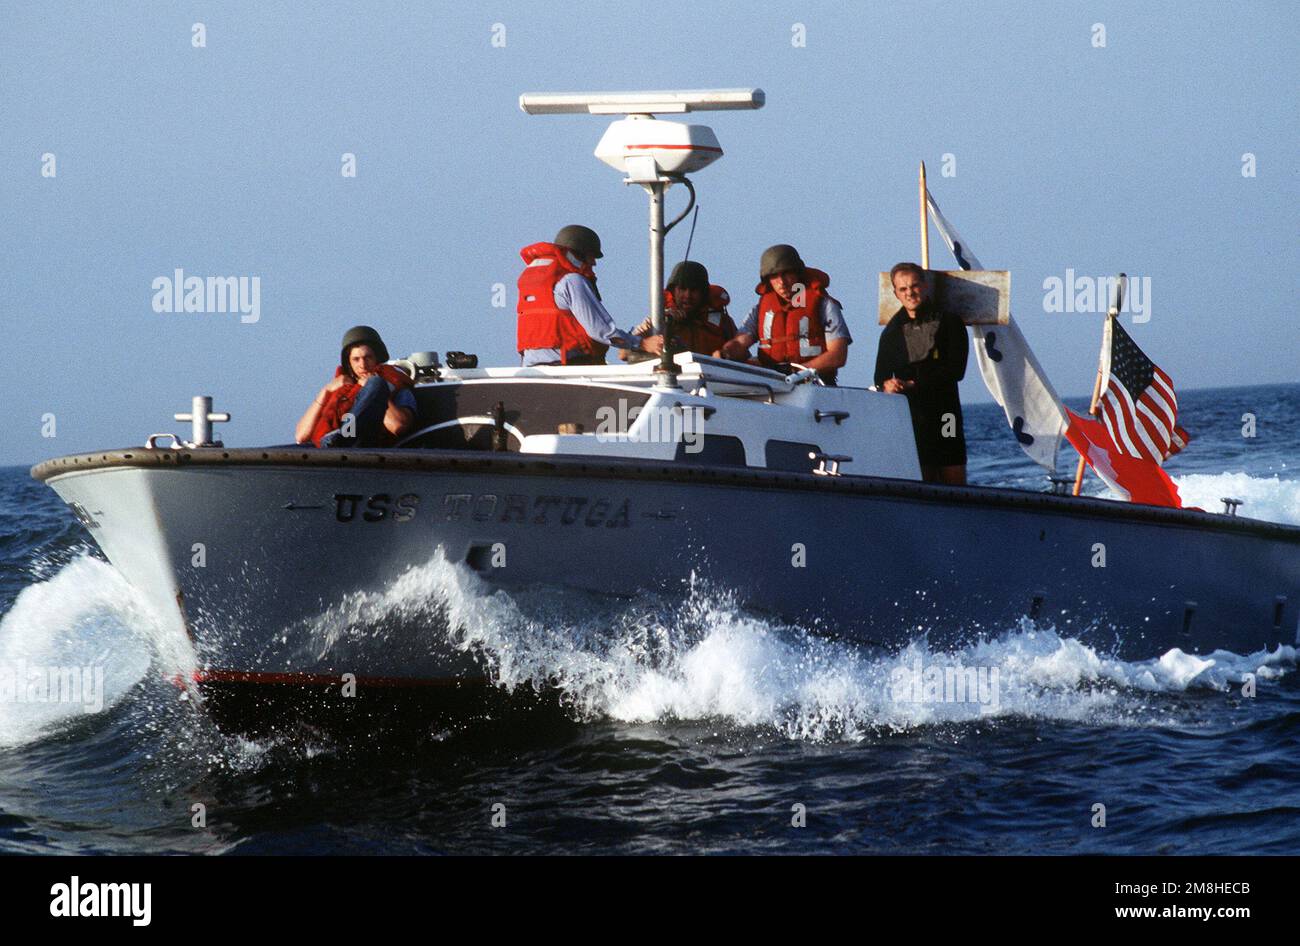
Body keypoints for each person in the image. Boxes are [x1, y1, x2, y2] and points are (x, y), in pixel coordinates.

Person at [874, 262, 969, 484]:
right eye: (903, 289)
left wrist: (913, 384)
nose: (910, 293)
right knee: (921, 478)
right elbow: (880, 376)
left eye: (914, 286)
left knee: (952, 474)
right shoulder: (891, 333)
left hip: (947, 414)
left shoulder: (950, 323)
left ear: (925, 286)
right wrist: (887, 386)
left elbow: (956, 370)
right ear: (896, 293)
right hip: (914, 419)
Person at [516, 224, 664, 366]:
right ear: (577, 254)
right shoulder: (572, 280)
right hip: (568, 367)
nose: (594, 263)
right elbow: (600, 330)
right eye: (591, 256)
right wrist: (642, 343)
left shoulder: (533, 282)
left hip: (531, 368)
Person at [718, 243, 851, 383]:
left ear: (798, 274)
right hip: (771, 385)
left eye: (787, 274)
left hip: (815, 385)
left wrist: (798, 372)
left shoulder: (824, 305)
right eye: (774, 276)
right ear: (768, 280)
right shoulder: (760, 309)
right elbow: (741, 341)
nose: (782, 282)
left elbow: (838, 355)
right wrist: (726, 353)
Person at [296, 325, 417, 448]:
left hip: (366, 447)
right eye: (356, 359)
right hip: (328, 446)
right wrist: (325, 391)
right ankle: (341, 439)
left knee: (376, 383)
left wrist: (376, 390)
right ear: (349, 363)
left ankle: (345, 436)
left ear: (377, 358)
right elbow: (301, 436)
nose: (363, 365)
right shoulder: (339, 390)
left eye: (368, 358)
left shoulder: (396, 388)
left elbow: (398, 426)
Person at [620, 260, 737, 362]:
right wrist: (665, 324)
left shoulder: (723, 322)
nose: (688, 295)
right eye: (682, 289)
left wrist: (724, 354)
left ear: (703, 293)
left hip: (714, 383)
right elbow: (623, 353)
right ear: (673, 291)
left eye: (694, 290)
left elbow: (741, 353)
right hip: (672, 381)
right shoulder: (656, 320)